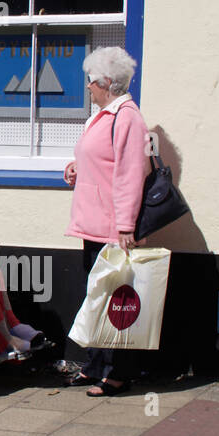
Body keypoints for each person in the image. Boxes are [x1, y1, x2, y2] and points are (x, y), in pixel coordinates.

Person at [63, 46, 151, 397]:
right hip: (92, 223)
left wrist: (126, 226)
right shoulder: (102, 116)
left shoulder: (126, 117)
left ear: (108, 83)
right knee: (97, 296)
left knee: (117, 300)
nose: (88, 87)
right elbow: (99, 160)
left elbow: (131, 175)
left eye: (91, 82)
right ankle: (96, 364)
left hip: (113, 227)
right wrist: (75, 167)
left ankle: (117, 373)